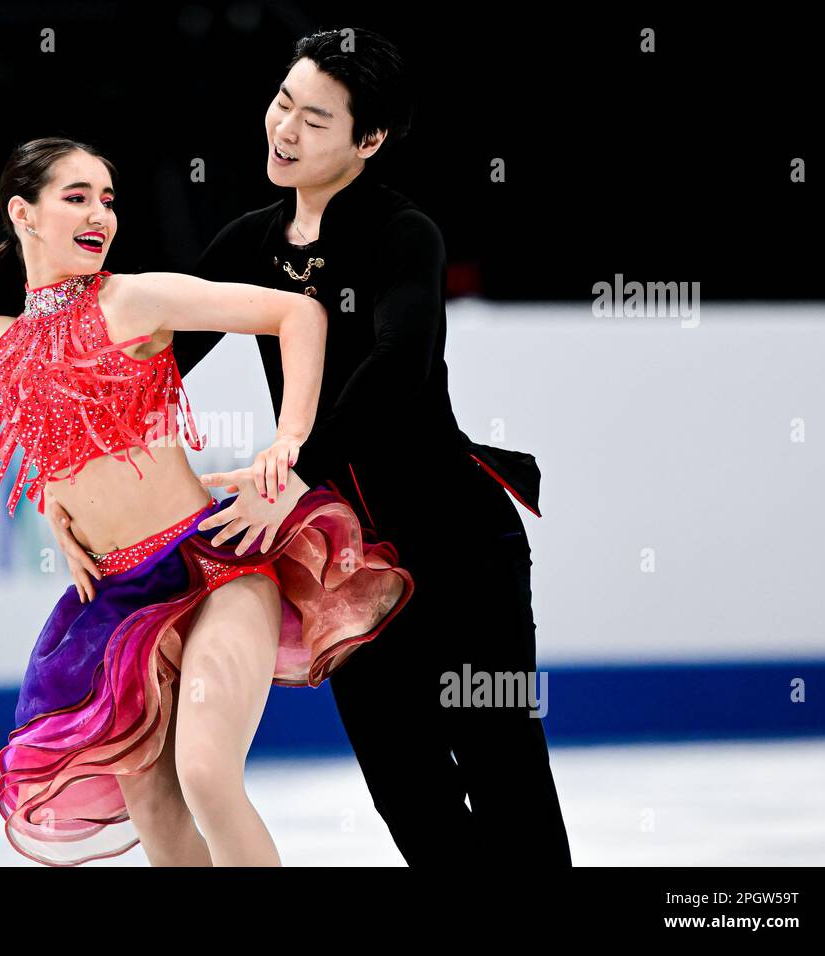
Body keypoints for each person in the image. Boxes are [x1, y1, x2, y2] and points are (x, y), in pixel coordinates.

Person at [0, 136, 414, 867]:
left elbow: (298, 314)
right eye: (76, 197)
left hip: (213, 566)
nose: (99, 214)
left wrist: (289, 443)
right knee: (154, 804)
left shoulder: (132, 298)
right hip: (117, 599)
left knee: (207, 776)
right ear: (23, 213)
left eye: (107, 199)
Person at [158, 28, 573, 866]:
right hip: (340, 565)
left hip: (457, 544)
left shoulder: (402, 233)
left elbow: (397, 368)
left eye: (315, 119)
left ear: (367, 140)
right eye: (283, 101)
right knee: (404, 782)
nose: (284, 128)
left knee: (502, 766)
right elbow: (157, 362)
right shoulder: (247, 244)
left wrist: (291, 472)